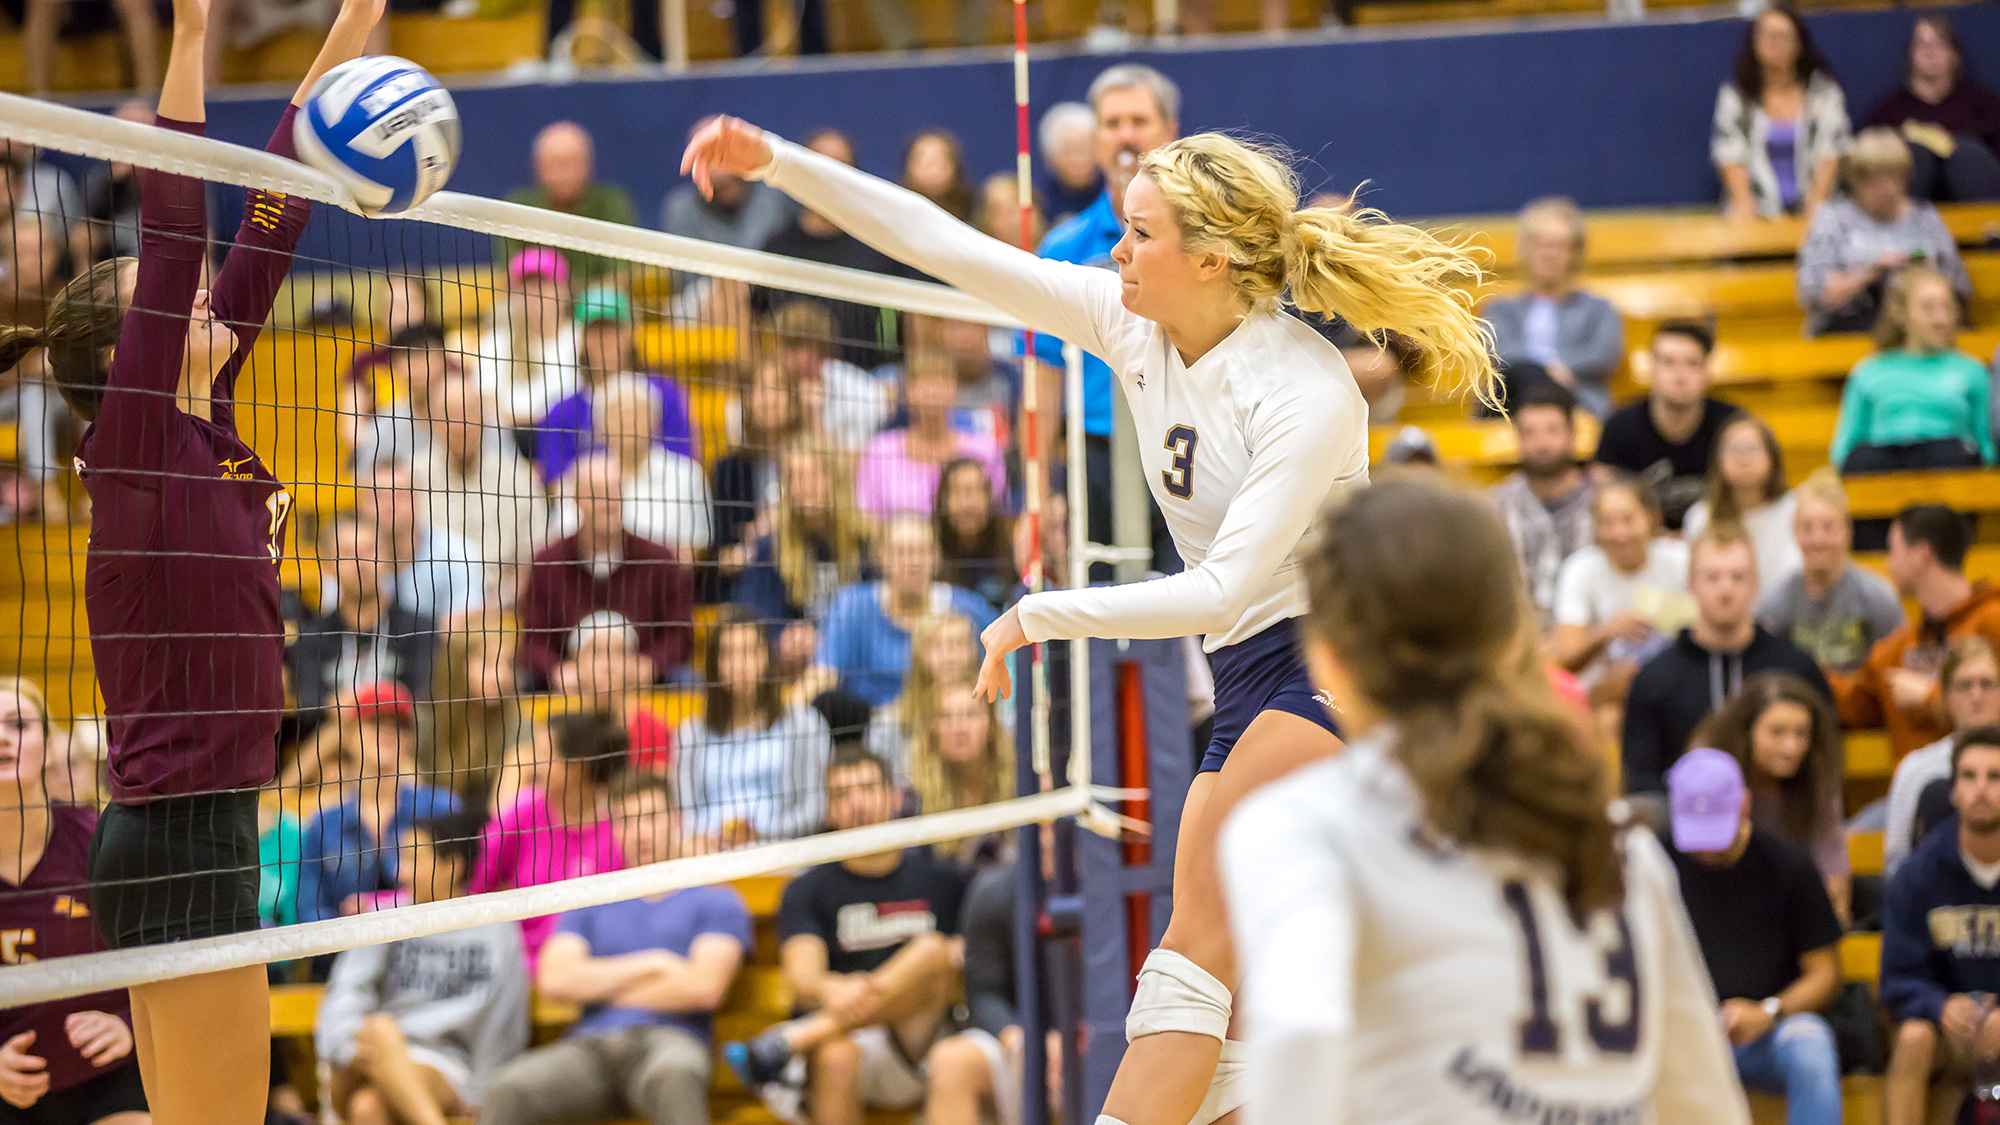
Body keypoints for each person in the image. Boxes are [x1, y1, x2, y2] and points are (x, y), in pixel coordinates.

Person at [684, 77, 1495, 1125]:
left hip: (1342, 664)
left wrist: (1039, 613)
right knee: (1227, 998)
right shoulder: (1130, 323)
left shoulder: (1303, 388)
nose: (1116, 253)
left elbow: (1223, 584)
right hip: (1245, 672)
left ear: (1211, 259)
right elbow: (943, 246)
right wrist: (778, 162)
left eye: (1140, 235)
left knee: (1191, 951)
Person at [0, 2, 385, 1121]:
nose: (203, 293)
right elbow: (173, 235)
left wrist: (353, 23)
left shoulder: (199, 420)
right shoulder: (134, 448)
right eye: (168, 305)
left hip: (191, 832)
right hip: (180, 840)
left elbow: (278, 201)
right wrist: (187, 38)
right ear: (132, 355)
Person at [1217, 478, 1745, 1123]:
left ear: (1327, 659)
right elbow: (1708, 1109)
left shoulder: (1305, 826)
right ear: (1514, 641)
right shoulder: (1624, 849)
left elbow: (1302, 1041)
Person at [481, 772, 753, 1125]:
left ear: (676, 820)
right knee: (506, 1089)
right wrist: (656, 964)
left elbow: (704, 987)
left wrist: (600, 988)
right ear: (615, 829)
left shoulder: (716, 900)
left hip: (670, 1040)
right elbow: (555, 980)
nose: (641, 832)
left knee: (676, 1074)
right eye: (628, 821)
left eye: (651, 818)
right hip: (591, 1046)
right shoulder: (593, 897)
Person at [724, 747, 971, 1125]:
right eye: (842, 794)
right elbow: (804, 979)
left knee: (930, 950)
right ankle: (808, 1037)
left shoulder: (943, 880)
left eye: (868, 789)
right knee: (836, 1055)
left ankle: (793, 1040)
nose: (857, 803)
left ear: (895, 798)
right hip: (843, 1042)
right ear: (829, 810)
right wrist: (837, 989)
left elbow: (966, 955)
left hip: (913, 1044)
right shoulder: (806, 889)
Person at [1028, 65, 1181, 573]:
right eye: (1112, 123)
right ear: (1095, 138)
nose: (1125, 135)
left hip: (1185, 441)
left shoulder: (1202, 236)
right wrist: (1037, 496)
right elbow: (1044, 375)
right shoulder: (1063, 248)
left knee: (1191, 600)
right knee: (1096, 604)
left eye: (1139, 120)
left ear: (1170, 131)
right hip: (1093, 457)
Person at [1660, 749, 1844, 1125]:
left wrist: (1767, 1013)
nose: (1706, 847)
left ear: (1744, 803)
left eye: (1715, 829)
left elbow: (1825, 972)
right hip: (1680, 1033)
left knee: (1810, 1043)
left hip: (1764, 1033)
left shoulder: (1788, 866)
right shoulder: (1654, 863)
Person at [313, 811, 529, 1125]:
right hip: (367, 1054)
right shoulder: (387, 917)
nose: (400, 872)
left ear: (452, 865)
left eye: (414, 859)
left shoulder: (495, 929)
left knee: (368, 1108)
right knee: (379, 1033)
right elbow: (345, 992)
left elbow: (504, 1022)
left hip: (448, 1065)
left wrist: (486, 1095)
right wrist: (348, 1047)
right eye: (401, 858)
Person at [0, 678, 149, 1125]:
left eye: (18, 725)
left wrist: (129, 1023)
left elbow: (164, 951)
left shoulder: (101, 843)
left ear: (49, 748)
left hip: (110, 1080)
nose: (2, 738)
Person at [1621, 524, 1831, 803]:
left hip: (1780, 819)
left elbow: (1824, 763)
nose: (1726, 589)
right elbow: (1641, 781)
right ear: (1690, 585)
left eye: (1737, 577)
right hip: (1684, 820)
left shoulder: (1795, 668)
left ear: (1755, 585)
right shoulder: (1654, 678)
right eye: (1712, 577)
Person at [1880, 725, 2000, 1125]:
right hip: (1949, 1032)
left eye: (1995, 776)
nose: (1981, 788)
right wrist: (1939, 1005)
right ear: (1953, 791)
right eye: (1969, 776)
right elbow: (1897, 978)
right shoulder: (1917, 875)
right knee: (1913, 1038)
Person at [1835, 505, 2000, 760]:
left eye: (1892, 550)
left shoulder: (1992, 621)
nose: (1888, 564)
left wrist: (1932, 699)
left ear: (1922, 555)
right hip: (1914, 783)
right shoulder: (1899, 647)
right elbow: (1850, 704)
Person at [518, 454, 694, 690]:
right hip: (570, 685)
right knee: (524, 684)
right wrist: (556, 670)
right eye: (598, 493)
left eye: (615, 491)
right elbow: (533, 640)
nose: (609, 503)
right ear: (576, 499)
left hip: (642, 682)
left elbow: (680, 634)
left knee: (687, 680)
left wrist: (651, 664)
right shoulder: (548, 563)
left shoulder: (658, 559)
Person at [469, 709, 626, 970]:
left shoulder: (619, 829)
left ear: (577, 765)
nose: (533, 764)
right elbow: (474, 881)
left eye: (544, 753)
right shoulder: (522, 811)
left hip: (589, 969)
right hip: (517, 968)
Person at [295, 683, 461, 924]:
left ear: (409, 739)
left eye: (399, 726)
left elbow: (460, 893)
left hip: (428, 940)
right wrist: (349, 927)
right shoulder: (323, 824)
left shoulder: (442, 808)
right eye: (375, 723)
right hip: (346, 944)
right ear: (351, 735)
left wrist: (378, 906)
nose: (387, 733)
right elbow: (309, 912)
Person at [1694, 672, 1851, 921]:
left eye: (1801, 733)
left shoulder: (1816, 773)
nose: (1791, 747)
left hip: (1790, 906)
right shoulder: (1710, 767)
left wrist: (1834, 924)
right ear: (1746, 731)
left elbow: (1832, 862)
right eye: (1777, 732)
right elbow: (1701, 865)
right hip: (1718, 903)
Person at [671, 614, 833, 850]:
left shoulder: (805, 724)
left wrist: (760, 834)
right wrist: (712, 839)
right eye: (728, 653)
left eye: (749, 651)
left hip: (781, 853)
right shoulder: (690, 735)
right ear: (714, 664)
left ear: (767, 658)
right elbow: (685, 815)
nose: (739, 664)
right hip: (711, 856)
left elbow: (815, 809)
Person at [754, 131, 914, 369]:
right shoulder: (777, 247)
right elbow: (754, 320)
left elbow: (908, 326)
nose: (829, 177)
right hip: (790, 383)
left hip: (870, 384)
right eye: (820, 165)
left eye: (840, 167)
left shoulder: (879, 248)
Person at [1797, 129, 1972, 336]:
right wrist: (1871, 271)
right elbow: (1814, 294)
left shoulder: (1925, 219)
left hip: (1920, 330)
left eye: (1897, 178)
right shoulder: (1833, 220)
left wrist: (1922, 269)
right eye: (1878, 180)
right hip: (1849, 330)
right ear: (1857, 180)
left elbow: (1959, 288)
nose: (1889, 189)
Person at [815, 516, 997, 708]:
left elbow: (1005, 665)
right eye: (901, 552)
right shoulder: (851, 607)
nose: (913, 561)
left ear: (936, 557)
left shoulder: (970, 610)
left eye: (922, 551)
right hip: (869, 721)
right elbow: (823, 675)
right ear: (883, 557)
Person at [1830, 267, 1993, 474]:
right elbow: (1845, 445)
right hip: (1884, 462)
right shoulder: (1869, 371)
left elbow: (1985, 444)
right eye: (1928, 308)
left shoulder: (1972, 370)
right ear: (1900, 313)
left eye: (1947, 307)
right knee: (1864, 458)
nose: (1940, 319)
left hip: (1947, 461)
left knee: (1951, 452)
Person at [532, 285, 698, 487]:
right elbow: (556, 483)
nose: (604, 340)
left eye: (612, 330)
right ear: (582, 338)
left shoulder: (666, 396)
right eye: (595, 331)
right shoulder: (561, 413)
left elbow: (684, 465)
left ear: (629, 332)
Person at [409, 371, 551, 603]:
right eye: (450, 416)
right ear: (432, 423)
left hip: (504, 605)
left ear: (484, 419)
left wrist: (499, 603)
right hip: (429, 608)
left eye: (468, 413)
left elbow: (536, 555)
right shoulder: (412, 477)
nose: (460, 426)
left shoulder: (517, 477)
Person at [285, 514, 436, 727]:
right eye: (347, 554)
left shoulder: (419, 629)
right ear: (328, 564)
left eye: (369, 551)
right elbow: (310, 706)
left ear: (388, 558)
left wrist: (351, 704)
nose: (360, 563)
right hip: (335, 741)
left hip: (399, 738)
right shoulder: (310, 637)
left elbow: (421, 699)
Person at [1480, 197, 1625, 419]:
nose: (1549, 254)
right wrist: (1546, 372)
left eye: (1559, 246)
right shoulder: (1501, 310)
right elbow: (1497, 353)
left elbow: (1604, 353)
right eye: (1541, 244)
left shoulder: (1598, 310)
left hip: (1580, 403)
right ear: (1524, 249)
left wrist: (1558, 369)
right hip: (1512, 407)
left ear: (1575, 253)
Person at [1757, 468, 1906, 674]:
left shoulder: (1878, 598)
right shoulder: (1775, 602)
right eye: (1807, 528)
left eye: (1828, 527)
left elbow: (1896, 670)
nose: (1818, 540)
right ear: (1795, 532)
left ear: (1848, 531)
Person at [1594, 322, 1738, 531]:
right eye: (1668, 362)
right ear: (1651, 368)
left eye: (1692, 363)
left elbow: (1753, 500)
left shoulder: (1732, 426)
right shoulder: (1619, 426)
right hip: (1641, 543)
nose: (1680, 375)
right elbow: (1603, 500)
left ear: (1707, 371)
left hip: (1718, 539)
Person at [1712, 3, 1850, 221]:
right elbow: (1729, 152)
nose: (1773, 43)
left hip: (1816, 208)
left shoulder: (1823, 94)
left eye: (1782, 36)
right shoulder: (1736, 96)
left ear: (1798, 43)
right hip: (1757, 210)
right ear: (1753, 42)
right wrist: (1744, 204)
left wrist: (1817, 204)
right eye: (1766, 35)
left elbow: (1831, 150)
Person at [1548, 477, 1690, 688]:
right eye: (1606, 522)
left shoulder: (1681, 560)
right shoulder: (1580, 568)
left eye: (1628, 519)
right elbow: (1565, 656)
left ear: (1651, 518)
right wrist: (1606, 631)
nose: (1619, 533)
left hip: (1674, 681)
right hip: (1601, 686)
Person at [552, 374, 713, 554]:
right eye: (618, 413)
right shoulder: (581, 477)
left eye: (638, 413)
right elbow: (564, 537)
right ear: (601, 425)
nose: (628, 421)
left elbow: (696, 548)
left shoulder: (687, 475)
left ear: (655, 422)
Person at [732, 440, 872, 641]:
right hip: (796, 657)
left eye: (812, 475)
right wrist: (785, 640)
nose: (803, 486)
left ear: (833, 479)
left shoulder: (864, 541)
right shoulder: (770, 547)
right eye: (794, 477)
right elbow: (759, 617)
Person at [1885, 637, 2000, 876]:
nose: (1976, 696)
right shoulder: (1915, 770)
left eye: (1987, 684)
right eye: (1965, 686)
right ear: (1946, 696)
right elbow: (1897, 864)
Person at [1487, 382, 1594, 631]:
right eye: (1529, 433)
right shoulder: (1495, 505)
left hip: (1588, 638)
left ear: (1572, 435)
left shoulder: (1601, 503)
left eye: (1552, 430)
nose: (1541, 443)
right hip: (1516, 635)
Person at [1862, 14, 2000, 204]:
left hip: (1974, 204)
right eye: (1922, 44)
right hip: (1905, 208)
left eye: (1940, 44)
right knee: (1915, 155)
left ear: (1954, 54)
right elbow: (1863, 162)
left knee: (1966, 155)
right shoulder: (1889, 110)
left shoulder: (1981, 104)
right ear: (1910, 54)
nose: (1930, 52)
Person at [857, 352, 1007, 519]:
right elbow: (867, 518)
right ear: (906, 391)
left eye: (940, 380)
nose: (932, 390)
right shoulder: (880, 451)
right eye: (922, 381)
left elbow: (996, 517)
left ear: (955, 388)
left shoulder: (985, 451)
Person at [496, 122, 638, 284]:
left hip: (596, 299)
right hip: (534, 299)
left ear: (588, 164)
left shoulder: (613, 204)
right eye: (556, 163)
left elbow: (619, 277)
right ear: (538, 166)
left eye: (572, 162)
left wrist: (569, 294)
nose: (565, 172)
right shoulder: (516, 206)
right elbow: (509, 278)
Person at [1682, 413, 1802, 593]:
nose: (1743, 457)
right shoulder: (1700, 516)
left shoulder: (1796, 510)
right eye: (1734, 449)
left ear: (1772, 456)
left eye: (1752, 448)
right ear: (1717, 460)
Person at [358, 459, 487, 623]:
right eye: (379, 497)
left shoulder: (456, 554)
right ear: (361, 505)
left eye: (399, 495)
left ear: (417, 500)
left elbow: (464, 626)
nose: (390, 505)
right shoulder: (349, 558)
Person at [767, 298, 894, 452]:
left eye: (794, 346)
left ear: (819, 347)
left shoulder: (852, 389)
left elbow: (851, 461)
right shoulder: (767, 383)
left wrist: (814, 417)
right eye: (782, 345)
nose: (784, 354)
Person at [475, 248, 581, 430]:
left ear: (564, 289)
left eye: (543, 283)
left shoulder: (582, 340)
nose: (534, 293)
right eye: (525, 285)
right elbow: (487, 407)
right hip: (510, 442)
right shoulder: (494, 344)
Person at [553, 611, 673, 771]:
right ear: (575, 663)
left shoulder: (654, 730)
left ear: (634, 662)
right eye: (596, 652)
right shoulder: (559, 732)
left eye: (619, 652)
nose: (608, 665)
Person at [867, 612, 978, 784]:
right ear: (919, 654)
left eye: (958, 644)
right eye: (938, 646)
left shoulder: (994, 713)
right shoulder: (892, 723)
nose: (950, 656)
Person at [907, 686, 1013, 867]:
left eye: (970, 714)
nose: (959, 728)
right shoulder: (913, 801)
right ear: (932, 730)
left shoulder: (1019, 783)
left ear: (991, 724)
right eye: (946, 717)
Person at [711, 359, 800, 568]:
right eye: (760, 389)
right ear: (747, 401)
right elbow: (722, 557)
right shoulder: (728, 471)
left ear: (793, 400)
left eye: (778, 388)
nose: (769, 399)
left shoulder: (815, 461)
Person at [660, 118, 795, 249]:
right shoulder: (681, 209)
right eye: (702, 152)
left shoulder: (776, 196)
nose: (713, 159)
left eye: (719, 148)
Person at [935, 458, 1017, 611]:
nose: (968, 504)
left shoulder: (1011, 549)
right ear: (943, 500)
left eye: (977, 491)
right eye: (959, 492)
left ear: (989, 498)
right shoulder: (933, 554)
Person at [1037, 101, 1103, 228]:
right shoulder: (1039, 203)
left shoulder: (1114, 197)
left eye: (1084, 149)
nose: (1077, 160)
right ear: (1050, 156)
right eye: (1068, 151)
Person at [901, 130, 974, 223]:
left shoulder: (974, 218)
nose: (931, 170)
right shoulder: (893, 214)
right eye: (925, 162)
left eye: (939, 162)